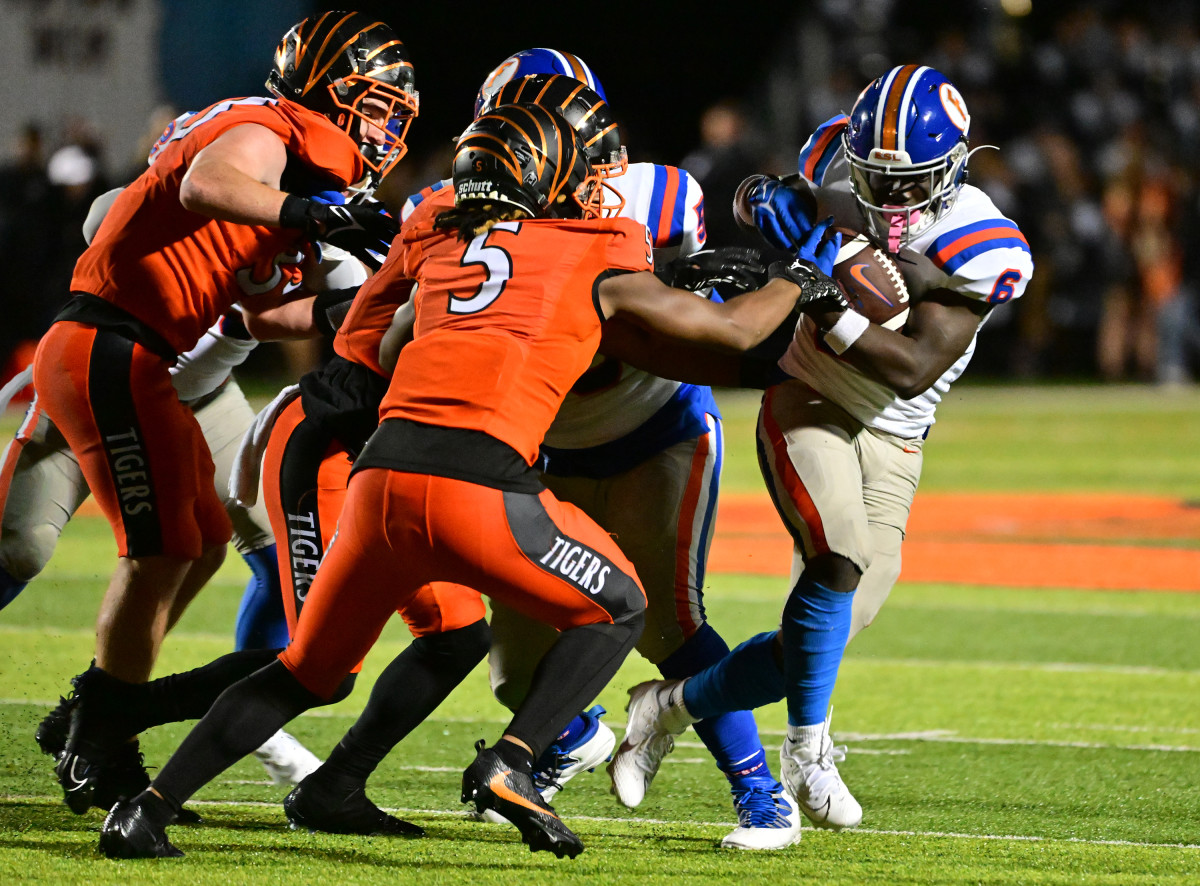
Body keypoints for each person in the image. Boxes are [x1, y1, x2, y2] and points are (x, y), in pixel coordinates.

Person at [96, 100, 840, 861]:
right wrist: (800, 275)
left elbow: (385, 353)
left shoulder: (442, 247)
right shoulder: (592, 243)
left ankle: (145, 810)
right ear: (548, 178)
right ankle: (514, 759)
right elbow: (735, 331)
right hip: (478, 480)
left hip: (379, 477)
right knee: (620, 607)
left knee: (303, 673)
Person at [609, 64, 1033, 836]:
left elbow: (911, 370)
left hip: (898, 431)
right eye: (879, 180)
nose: (894, 200)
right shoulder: (833, 158)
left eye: (913, 184)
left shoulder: (984, 242)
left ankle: (668, 707)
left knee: (825, 634)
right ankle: (808, 750)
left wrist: (823, 293)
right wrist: (769, 210)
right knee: (837, 554)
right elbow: (766, 200)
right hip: (811, 394)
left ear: (954, 169)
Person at [31, 9, 416, 815]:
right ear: (323, 89)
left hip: (136, 350)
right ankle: (99, 733)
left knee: (201, 542)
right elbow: (208, 182)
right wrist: (309, 216)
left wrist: (357, 310)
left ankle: (99, 712)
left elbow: (253, 314)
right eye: (375, 105)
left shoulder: (284, 162)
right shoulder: (267, 123)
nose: (384, 128)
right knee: (158, 551)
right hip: (107, 344)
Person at [466, 59, 800, 851]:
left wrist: (687, 281)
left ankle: (760, 792)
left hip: (655, 426)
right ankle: (570, 734)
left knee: (674, 622)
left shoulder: (658, 195)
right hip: (537, 446)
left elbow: (696, 324)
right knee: (514, 665)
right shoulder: (459, 211)